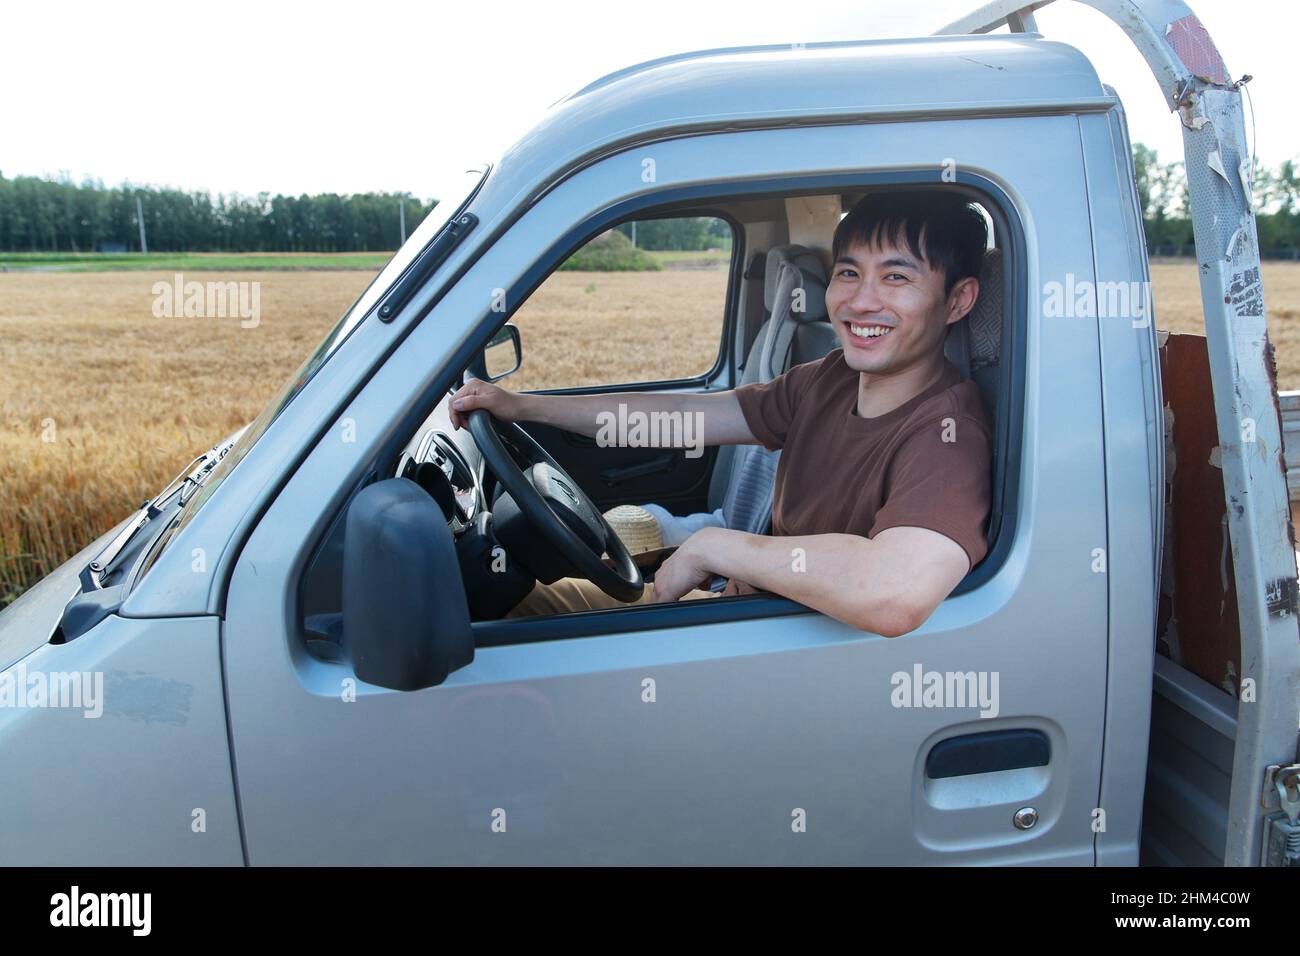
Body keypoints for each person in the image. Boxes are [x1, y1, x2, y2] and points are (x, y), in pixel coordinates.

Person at [449, 190, 993, 636]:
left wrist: (720, 546)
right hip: (726, 605)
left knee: (496, 633)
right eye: (849, 273)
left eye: (896, 278)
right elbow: (681, 418)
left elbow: (894, 594)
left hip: (756, 638)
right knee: (500, 607)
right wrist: (523, 407)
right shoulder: (830, 379)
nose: (860, 301)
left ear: (959, 300)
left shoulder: (948, 436)